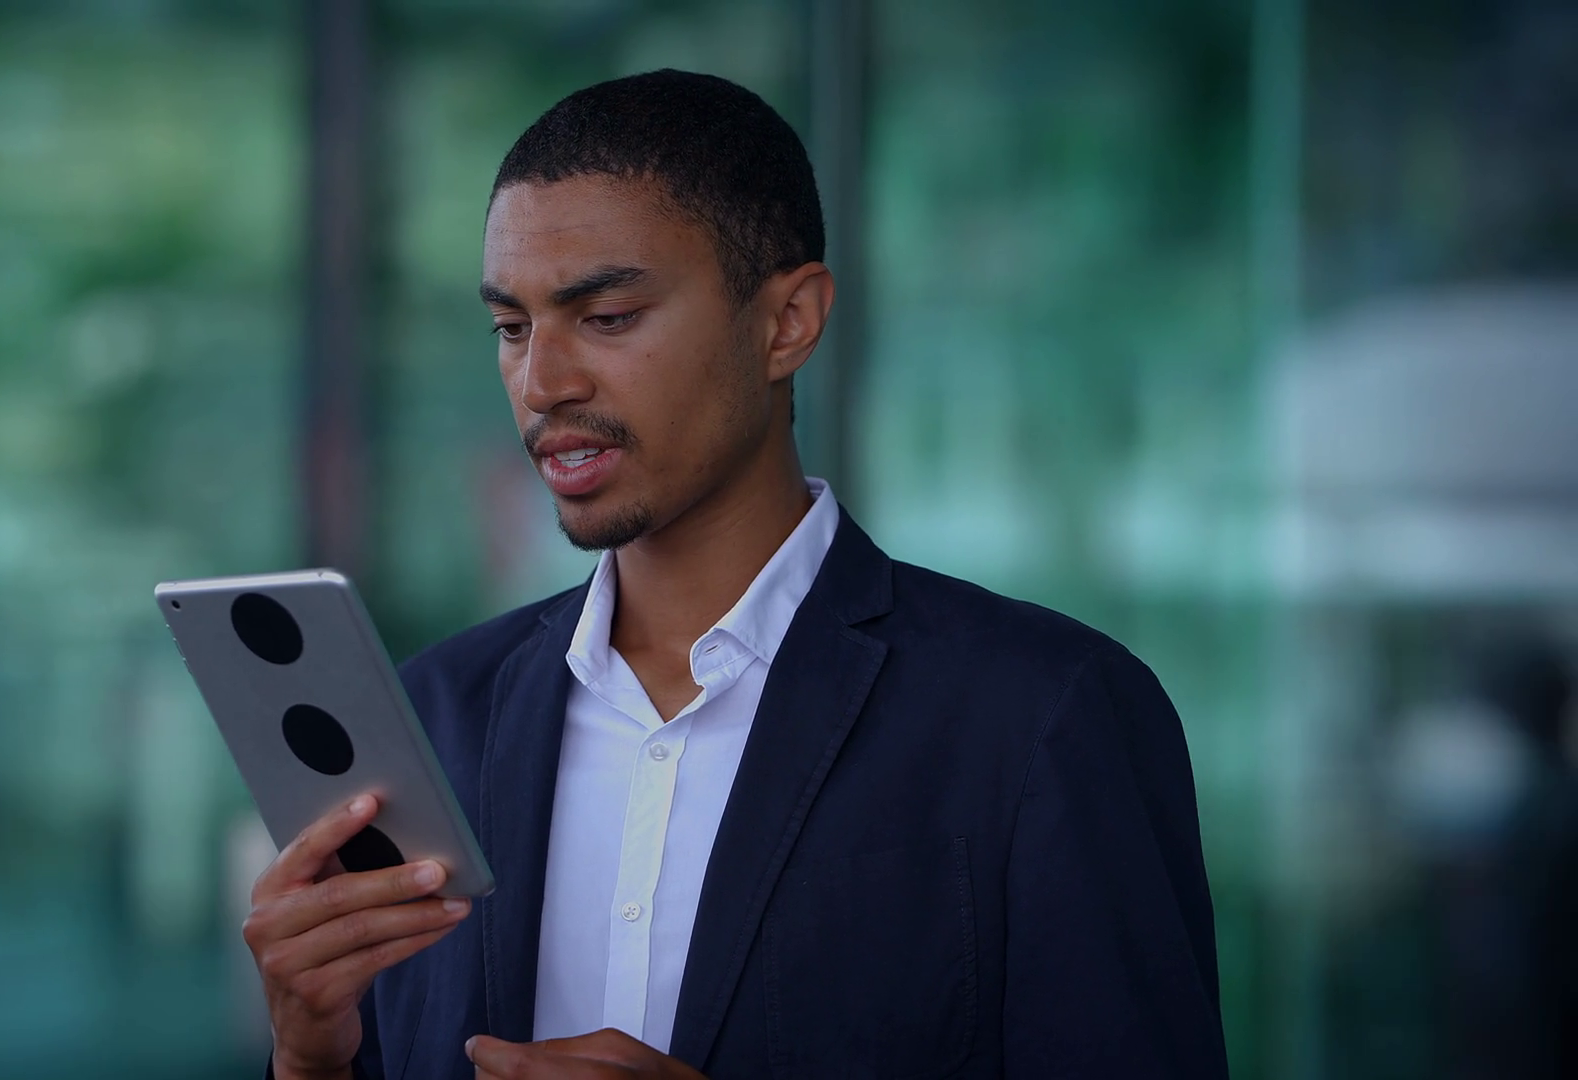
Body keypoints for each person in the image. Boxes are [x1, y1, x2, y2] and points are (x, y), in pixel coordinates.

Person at [243, 70, 1227, 1079]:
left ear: (788, 322)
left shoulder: (1040, 717)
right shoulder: (436, 718)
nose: (543, 381)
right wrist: (309, 1057)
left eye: (610, 316)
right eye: (512, 326)